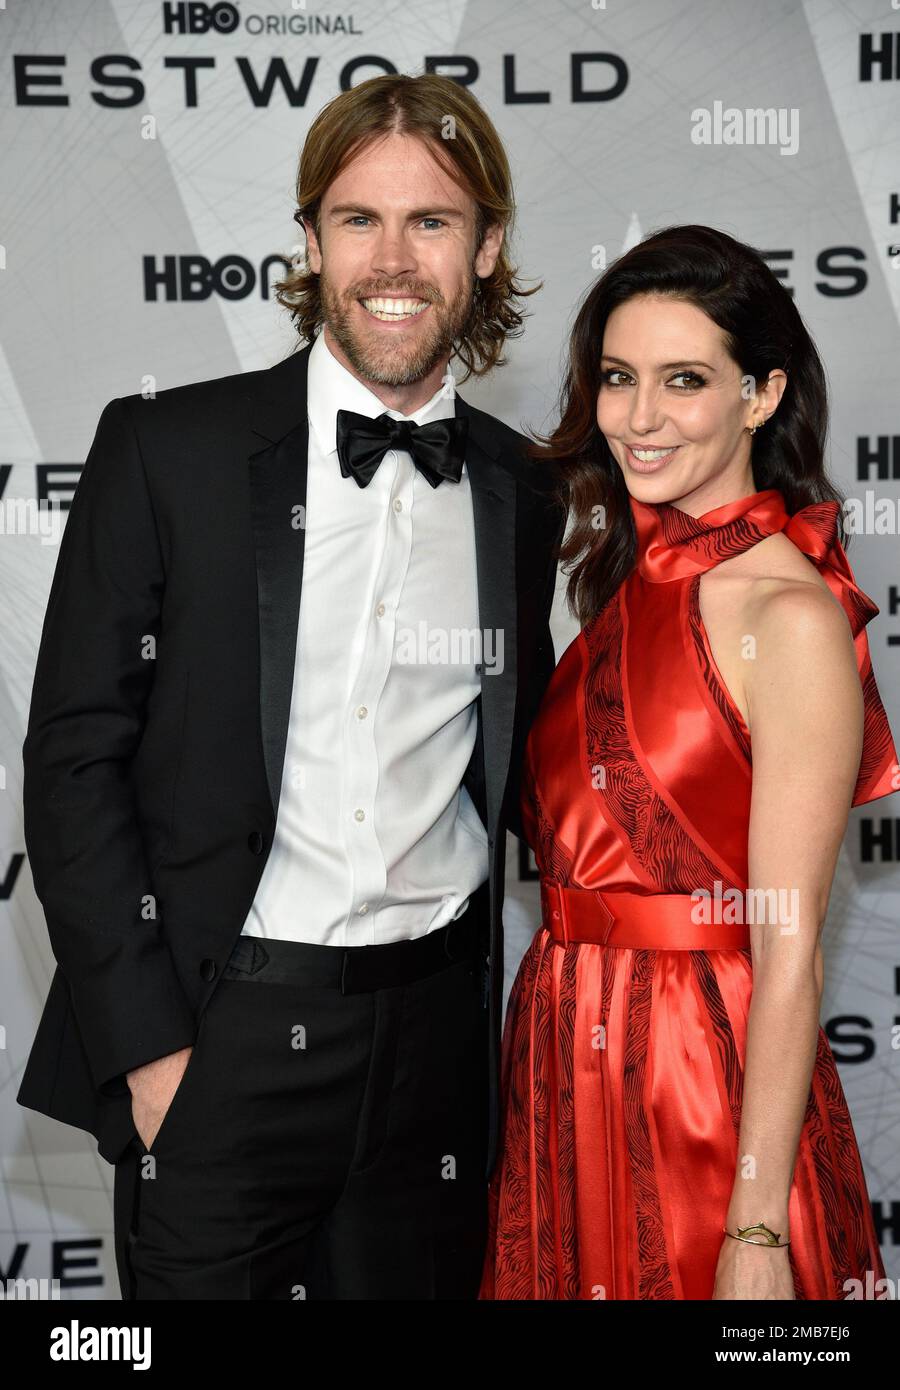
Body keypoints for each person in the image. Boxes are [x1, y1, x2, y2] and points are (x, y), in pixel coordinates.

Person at [17, 72, 564, 1300]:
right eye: (359, 219)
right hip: (221, 1035)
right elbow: (71, 762)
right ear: (310, 243)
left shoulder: (521, 487)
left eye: (433, 221)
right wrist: (151, 1053)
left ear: (485, 252)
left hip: (432, 1039)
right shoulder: (168, 453)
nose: (394, 258)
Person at [479, 224, 898, 1300]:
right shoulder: (628, 579)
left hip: (700, 1081)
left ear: (761, 395)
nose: (640, 416)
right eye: (618, 378)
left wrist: (756, 1229)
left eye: (685, 380)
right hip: (566, 1052)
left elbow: (790, 952)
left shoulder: (790, 613)